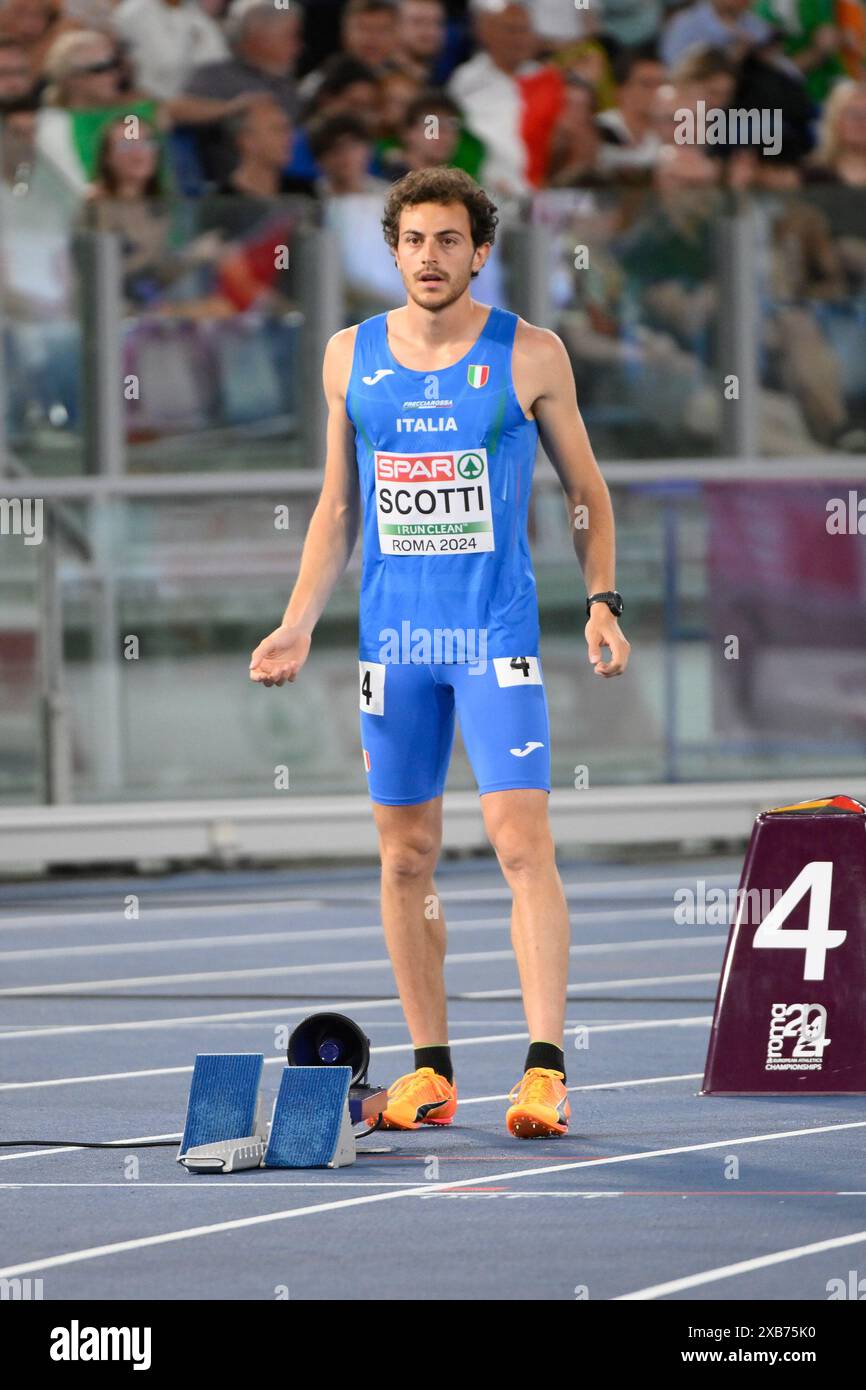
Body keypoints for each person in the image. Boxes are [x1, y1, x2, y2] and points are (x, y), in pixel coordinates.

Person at [249, 166, 629, 1138]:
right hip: (395, 646)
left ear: (479, 251)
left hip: (489, 639)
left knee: (516, 843)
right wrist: (296, 619)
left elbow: (587, 491)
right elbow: (336, 509)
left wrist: (598, 600)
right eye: (413, 239)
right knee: (404, 857)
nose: (429, 256)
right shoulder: (348, 356)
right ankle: (430, 1071)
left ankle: (543, 1070)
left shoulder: (529, 354)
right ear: (393, 250)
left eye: (447, 240)